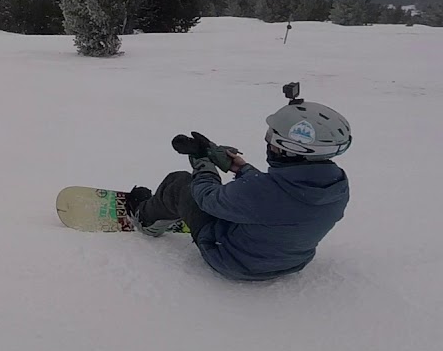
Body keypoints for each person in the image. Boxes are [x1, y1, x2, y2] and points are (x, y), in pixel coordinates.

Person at [126, 95, 352, 281]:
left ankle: (145, 219)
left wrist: (201, 160)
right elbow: (275, 195)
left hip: (234, 261)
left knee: (180, 183)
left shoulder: (259, 192)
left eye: (272, 139)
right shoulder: (336, 186)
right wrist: (241, 168)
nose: (268, 144)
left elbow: (207, 198)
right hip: (292, 261)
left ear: (288, 149)